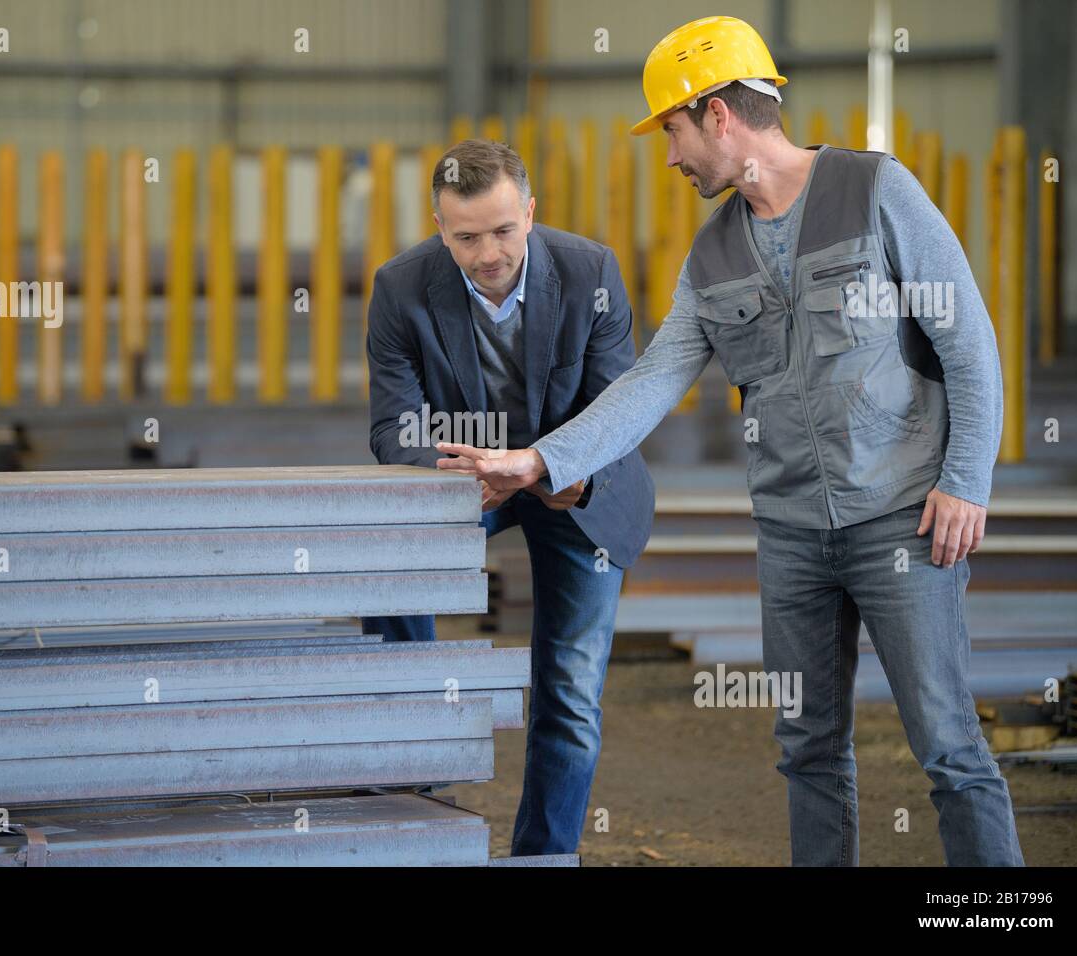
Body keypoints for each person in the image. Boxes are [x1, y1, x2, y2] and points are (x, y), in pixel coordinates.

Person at [437, 16, 1024, 866]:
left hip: (904, 520)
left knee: (948, 747)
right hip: (791, 535)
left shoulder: (875, 189)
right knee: (807, 749)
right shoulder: (712, 254)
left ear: (717, 116)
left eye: (672, 130)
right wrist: (540, 461)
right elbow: (650, 383)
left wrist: (966, 480)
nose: (670, 157)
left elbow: (970, 344)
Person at [363, 138, 654, 856]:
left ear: (530, 210)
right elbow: (392, 424)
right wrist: (460, 472)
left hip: (574, 481)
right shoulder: (400, 287)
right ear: (440, 228)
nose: (488, 253)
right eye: (465, 238)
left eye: (502, 231)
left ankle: (544, 858)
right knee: (384, 566)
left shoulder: (592, 272)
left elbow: (616, 413)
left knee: (570, 691)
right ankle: (419, 808)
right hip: (469, 474)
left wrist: (548, 469)